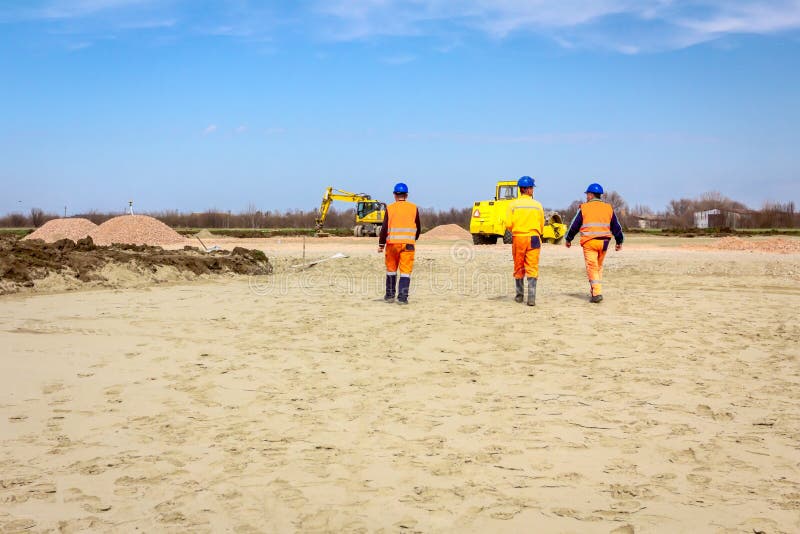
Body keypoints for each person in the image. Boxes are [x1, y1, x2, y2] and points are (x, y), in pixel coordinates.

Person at [565, 182, 624, 303]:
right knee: (598, 267)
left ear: (591, 195)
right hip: (604, 243)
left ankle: (596, 293)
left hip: (589, 242)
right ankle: (596, 290)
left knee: (592, 267)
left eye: (587, 194)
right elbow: (616, 226)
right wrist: (619, 241)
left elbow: (574, 225)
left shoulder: (584, 207)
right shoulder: (608, 208)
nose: (586, 196)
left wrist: (568, 238)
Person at [378, 182, 421, 304]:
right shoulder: (413, 208)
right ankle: (402, 298)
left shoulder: (390, 208)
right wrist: (413, 238)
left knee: (391, 270)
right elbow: (418, 226)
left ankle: (390, 296)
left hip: (392, 244)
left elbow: (384, 228)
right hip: (408, 244)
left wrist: (381, 245)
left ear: (394, 195)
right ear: (406, 195)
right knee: (405, 272)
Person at [506, 176, 545, 306]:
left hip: (519, 237)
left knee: (518, 266)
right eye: (531, 188)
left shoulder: (512, 205)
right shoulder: (538, 205)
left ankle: (519, 296)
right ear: (527, 189)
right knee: (532, 266)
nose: (532, 190)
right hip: (534, 237)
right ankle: (531, 298)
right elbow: (541, 224)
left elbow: (508, 224)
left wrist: (517, 230)